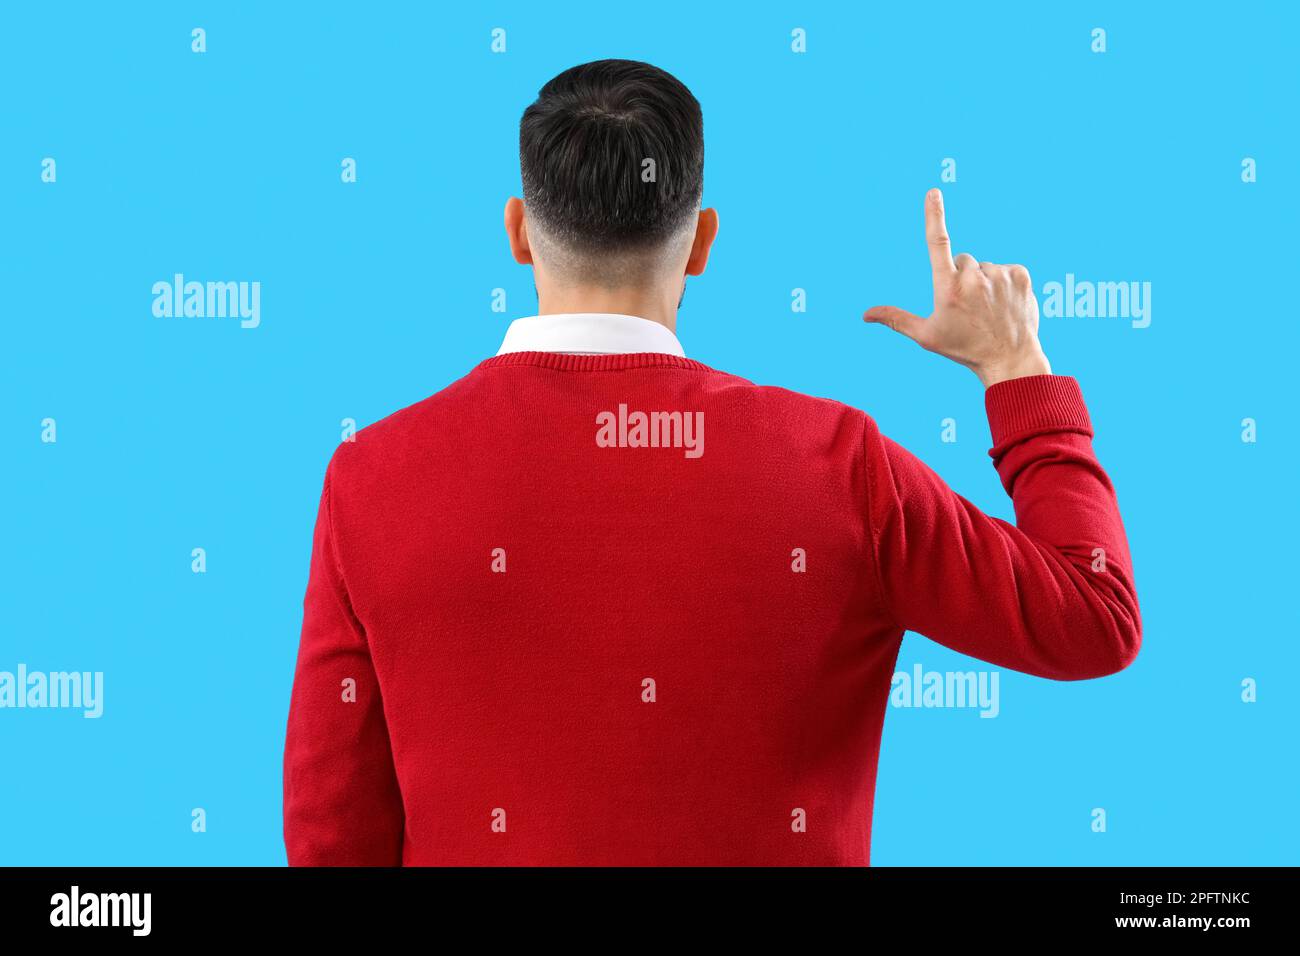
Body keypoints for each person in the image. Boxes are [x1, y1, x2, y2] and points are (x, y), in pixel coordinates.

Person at [283, 59, 1141, 866]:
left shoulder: (372, 476)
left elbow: (330, 825)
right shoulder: (837, 466)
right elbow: (1094, 617)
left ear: (517, 230)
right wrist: (1016, 369)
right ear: (700, 240)